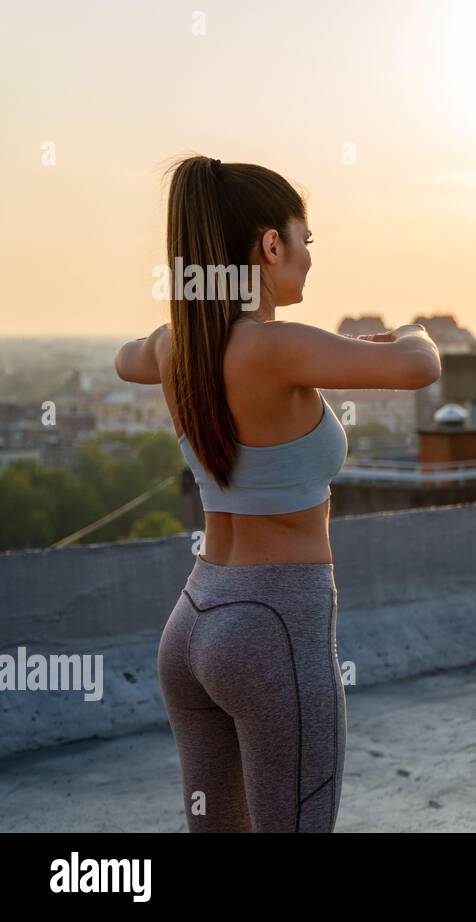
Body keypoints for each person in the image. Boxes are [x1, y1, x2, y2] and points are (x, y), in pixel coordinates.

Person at [115, 155, 441, 832]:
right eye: (305, 241)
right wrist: (414, 328)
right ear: (271, 245)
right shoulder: (279, 347)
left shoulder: (177, 347)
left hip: (193, 622)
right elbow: (420, 365)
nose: (309, 258)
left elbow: (126, 359)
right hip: (273, 627)